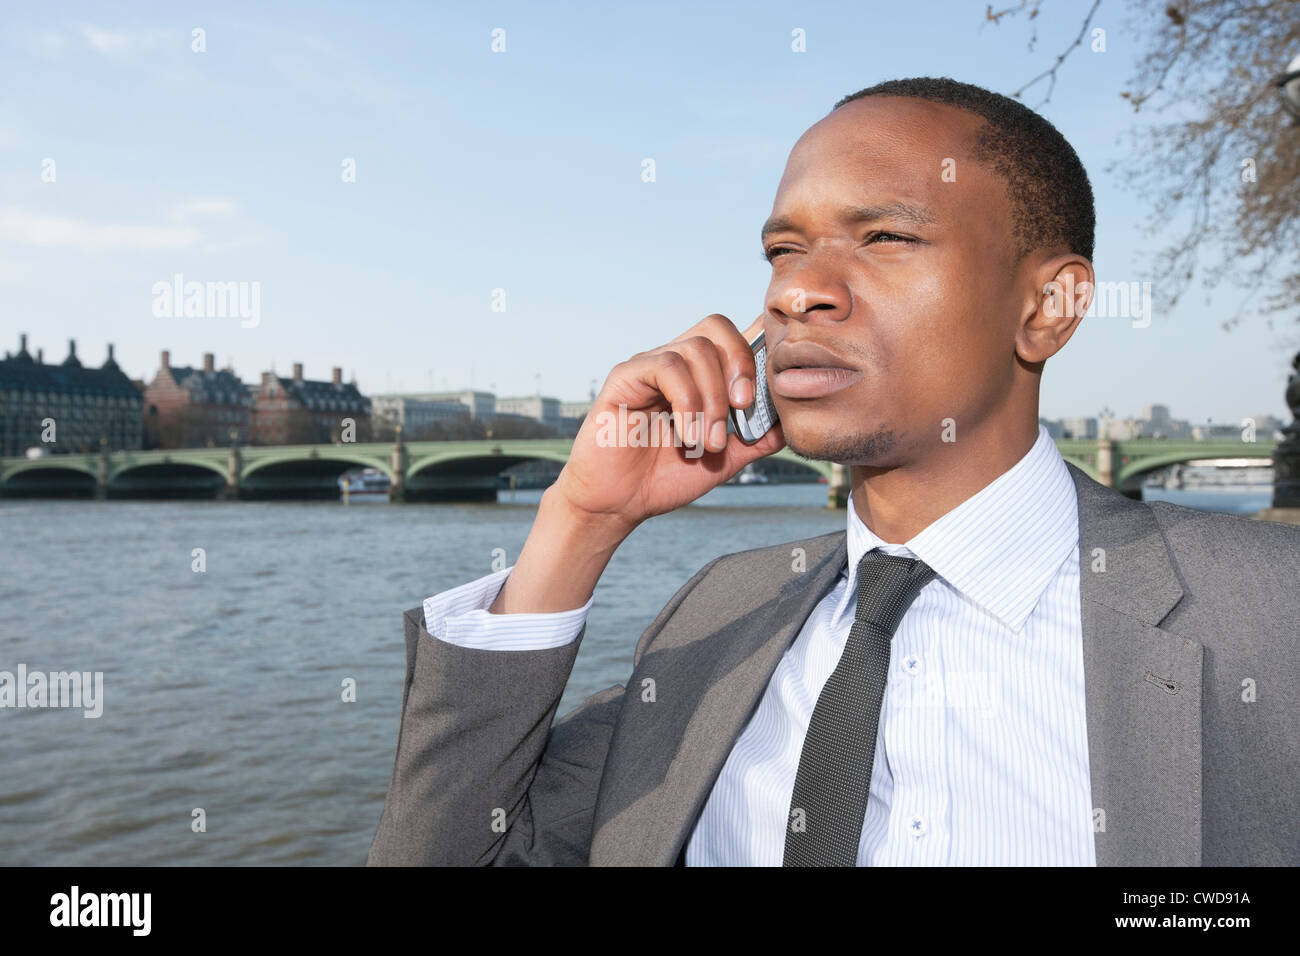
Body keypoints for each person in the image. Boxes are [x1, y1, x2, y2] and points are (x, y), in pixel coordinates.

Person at [366, 77, 1300, 866]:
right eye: (782, 249)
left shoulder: (1269, 615)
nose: (794, 288)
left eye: (885, 237)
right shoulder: (718, 616)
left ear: (1050, 306)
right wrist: (581, 520)